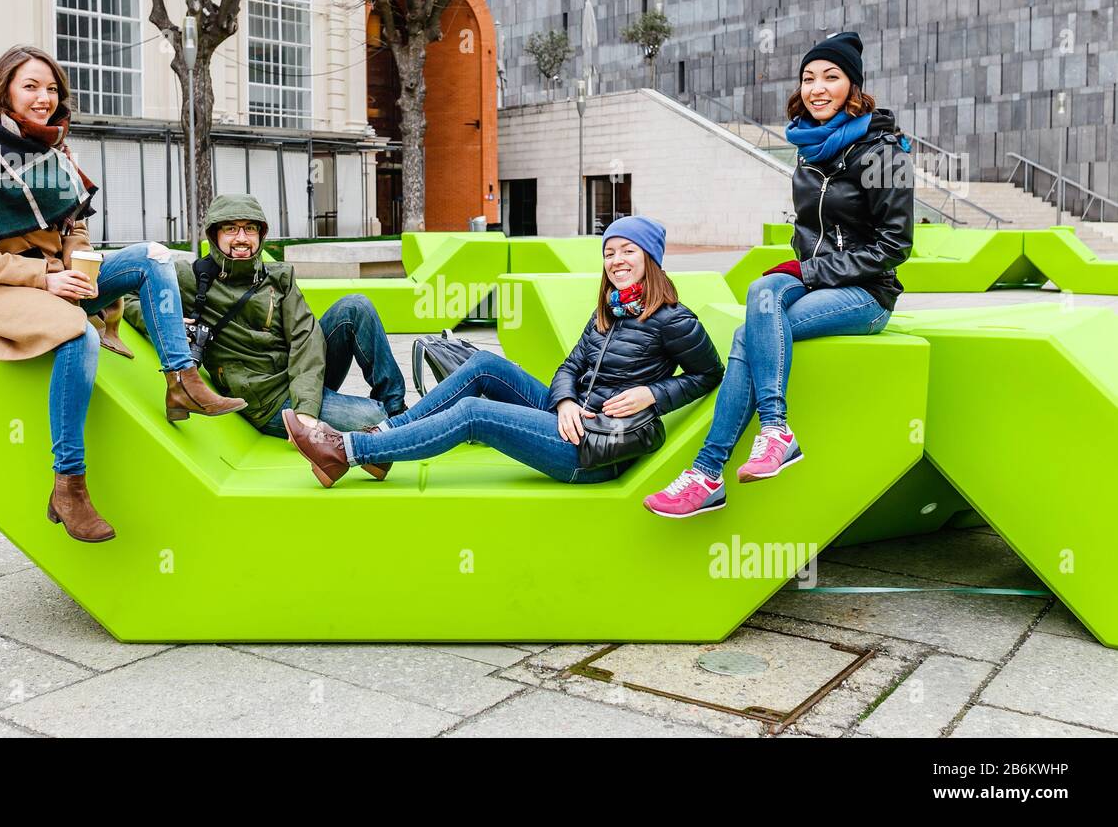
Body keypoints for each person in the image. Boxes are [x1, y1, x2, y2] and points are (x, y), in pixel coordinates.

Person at [0, 45, 246, 544]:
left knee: (153, 257)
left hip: (59, 278)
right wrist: (45, 278)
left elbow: (74, 228)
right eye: (30, 87)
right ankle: (69, 485)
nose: (44, 98)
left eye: (51, 88)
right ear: (4, 92)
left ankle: (181, 380)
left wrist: (79, 263)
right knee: (77, 333)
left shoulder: (57, 153)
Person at [644, 31, 914, 519]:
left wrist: (811, 271)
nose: (817, 87)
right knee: (763, 288)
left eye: (831, 77)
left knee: (752, 332)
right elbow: (809, 230)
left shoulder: (884, 153)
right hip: (817, 277)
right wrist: (802, 269)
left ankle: (715, 468)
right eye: (809, 78)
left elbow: (895, 246)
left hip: (866, 293)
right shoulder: (809, 151)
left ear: (853, 87)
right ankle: (769, 438)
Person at [281, 216, 726, 486]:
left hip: (597, 451)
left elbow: (710, 373)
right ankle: (384, 440)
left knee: (476, 413)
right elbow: (571, 365)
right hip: (571, 420)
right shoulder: (608, 311)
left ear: (651, 257)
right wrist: (566, 400)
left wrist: (653, 394)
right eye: (609, 253)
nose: (616, 261)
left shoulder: (673, 318)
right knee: (484, 365)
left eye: (628, 250)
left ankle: (348, 450)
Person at [123, 194, 407, 448]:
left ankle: (398, 409)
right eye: (230, 229)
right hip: (267, 399)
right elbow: (130, 295)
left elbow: (305, 338)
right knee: (374, 418)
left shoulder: (278, 277)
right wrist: (173, 327)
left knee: (356, 306)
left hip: (300, 379)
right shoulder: (193, 278)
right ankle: (393, 420)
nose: (241, 238)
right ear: (214, 234)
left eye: (250, 228)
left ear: (261, 234)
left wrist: (306, 410)